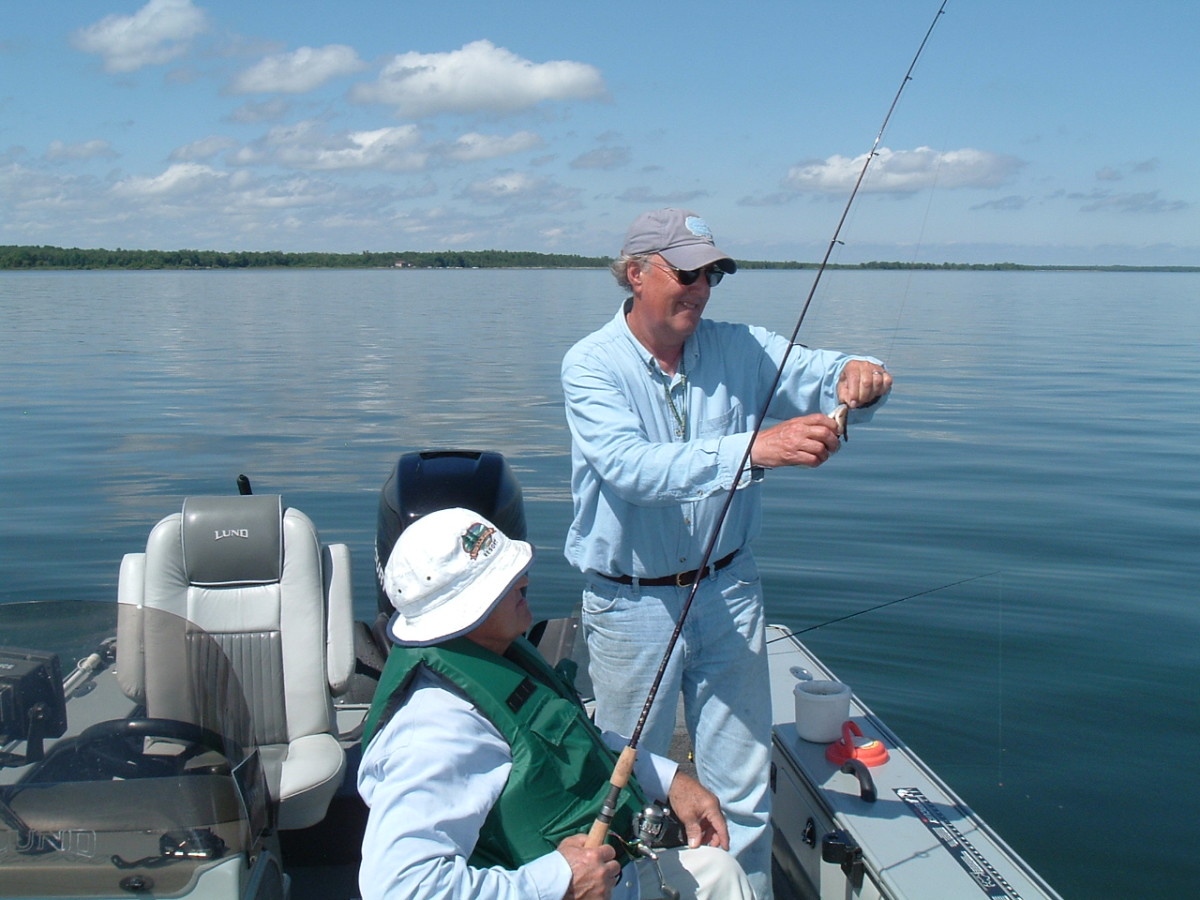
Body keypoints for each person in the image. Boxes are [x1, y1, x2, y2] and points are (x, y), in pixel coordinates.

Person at [560, 208, 893, 898]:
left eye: (713, 274)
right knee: (628, 784)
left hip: (729, 590)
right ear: (636, 274)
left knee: (741, 786)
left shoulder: (740, 347)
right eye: (687, 273)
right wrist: (758, 448)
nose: (702, 288)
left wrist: (861, 376)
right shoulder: (590, 364)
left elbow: (827, 371)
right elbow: (631, 468)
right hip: (629, 602)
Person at [358, 506, 753, 900]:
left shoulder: (499, 657)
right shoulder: (434, 731)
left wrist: (669, 781)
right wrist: (557, 882)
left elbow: (568, 741)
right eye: (501, 580)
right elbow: (400, 888)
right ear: (463, 611)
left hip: (608, 878)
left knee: (719, 874)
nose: (524, 580)